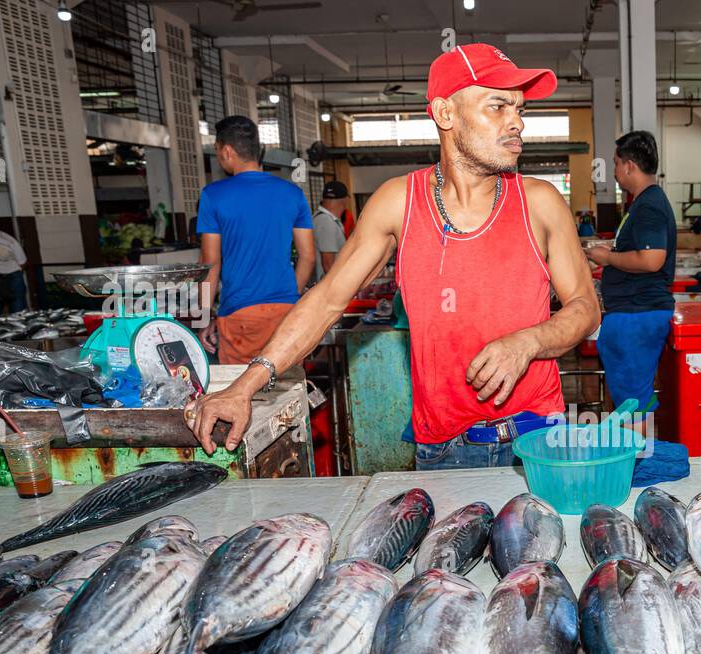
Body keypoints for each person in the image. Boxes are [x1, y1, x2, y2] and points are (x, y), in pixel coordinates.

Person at [186, 44, 599, 471]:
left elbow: (586, 308)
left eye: (520, 110)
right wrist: (244, 385)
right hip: (444, 447)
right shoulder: (399, 202)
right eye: (498, 106)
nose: (516, 123)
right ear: (445, 114)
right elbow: (328, 299)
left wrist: (529, 341)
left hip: (536, 436)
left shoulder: (541, 202)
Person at [196, 115, 316, 364]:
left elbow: (210, 264)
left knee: (244, 392)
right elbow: (308, 256)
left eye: (218, 151)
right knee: (287, 388)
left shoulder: (213, 195)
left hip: (241, 315)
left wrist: (204, 317)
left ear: (227, 151)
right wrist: (289, 296)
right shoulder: (292, 193)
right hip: (287, 312)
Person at [583, 130, 676, 420]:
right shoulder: (643, 203)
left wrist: (607, 258)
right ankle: (635, 457)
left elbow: (651, 260)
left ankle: (636, 462)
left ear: (630, 165)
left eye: (615, 163)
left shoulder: (648, 205)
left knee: (632, 404)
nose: (614, 171)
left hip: (638, 313)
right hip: (634, 313)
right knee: (631, 399)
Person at [312, 180, 351, 281]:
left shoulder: (321, 218)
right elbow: (328, 264)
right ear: (345, 200)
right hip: (328, 287)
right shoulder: (326, 222)